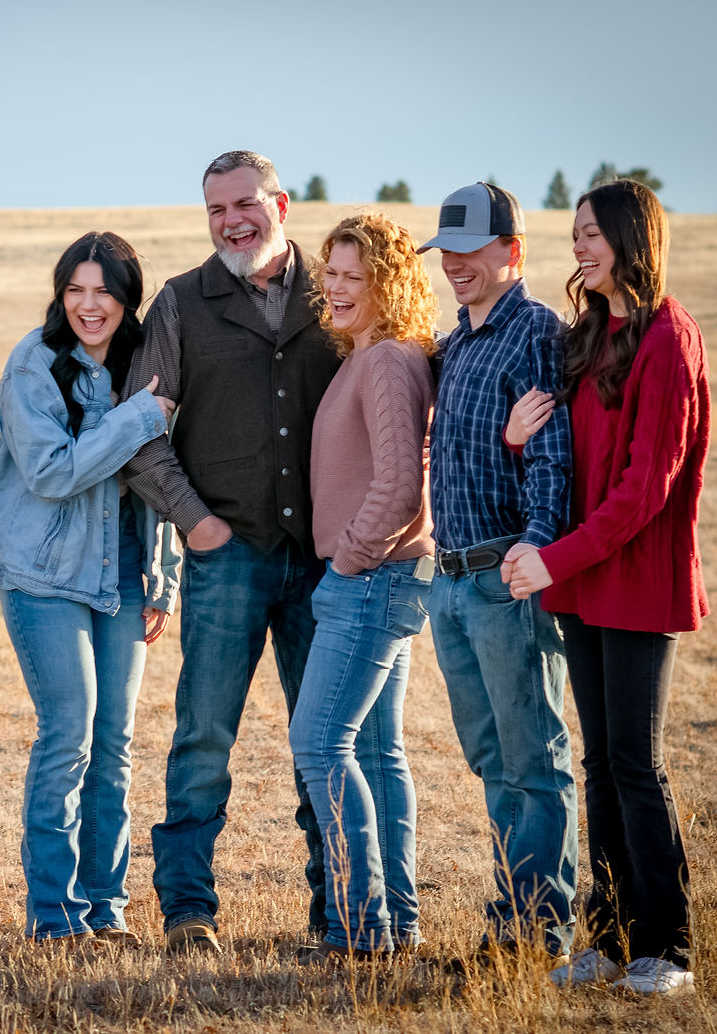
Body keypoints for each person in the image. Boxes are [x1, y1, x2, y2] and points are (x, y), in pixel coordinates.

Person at [121, 150, 342, 953]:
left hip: (327, 562)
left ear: (280, 201)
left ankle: (339, 908)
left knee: (325, 740)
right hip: (226, 558)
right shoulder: (181, 301)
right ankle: (187, 910)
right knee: (203, 736)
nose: (230, 221)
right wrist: (194, 521)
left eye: (244, 203)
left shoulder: (335, 288)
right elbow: (140, 433)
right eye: (215, 209)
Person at [503, 179, 709, 996]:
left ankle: (671, 948)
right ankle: (613, 938)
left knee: (635, 762)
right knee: (598, 762)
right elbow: (576, 466)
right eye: (576, 234)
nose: (580, 246)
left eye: (592, 233)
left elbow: (643, 489)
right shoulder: (590, 334)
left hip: (636, 579)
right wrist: (520, 442)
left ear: (630, 237)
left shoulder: (670, 336)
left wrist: (555, 559)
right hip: (585, 580)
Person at [0, 231, 182, 946]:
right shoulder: (33, 364)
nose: (88, 305)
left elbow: (158, 477)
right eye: (75, 289)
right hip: (43, 572)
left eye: (104, 291)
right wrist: (134, 418)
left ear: (128, 298)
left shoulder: (144, 364)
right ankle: (56, 915)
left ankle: (105, 909)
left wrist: (163, 575)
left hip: (123, 572)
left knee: (115, 741)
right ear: (60, 293)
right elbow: (52, 472)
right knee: (69, 732)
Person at [417, 182, 578, 960]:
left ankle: (542, 930)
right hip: (449, 582)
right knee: (491, 759)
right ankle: (510, 918)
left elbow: (553, 457)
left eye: (471, 251)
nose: (454, 265)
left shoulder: (535, 333)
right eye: (447, 252)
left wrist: (539, 547)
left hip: (502, 578)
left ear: (512, 251)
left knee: (532, 757)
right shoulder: (460, 340)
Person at [287, 214, 438, 962]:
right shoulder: (373, 353)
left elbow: (402, 485)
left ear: (391, 282)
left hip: (372, 577)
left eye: (356, 276)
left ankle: (359, 928)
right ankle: (396, 925)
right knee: (378, 755)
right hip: (386, 574)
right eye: (332, 273)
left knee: (318, 743)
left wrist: (346, 560)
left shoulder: (383, 361)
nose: (338, 288)